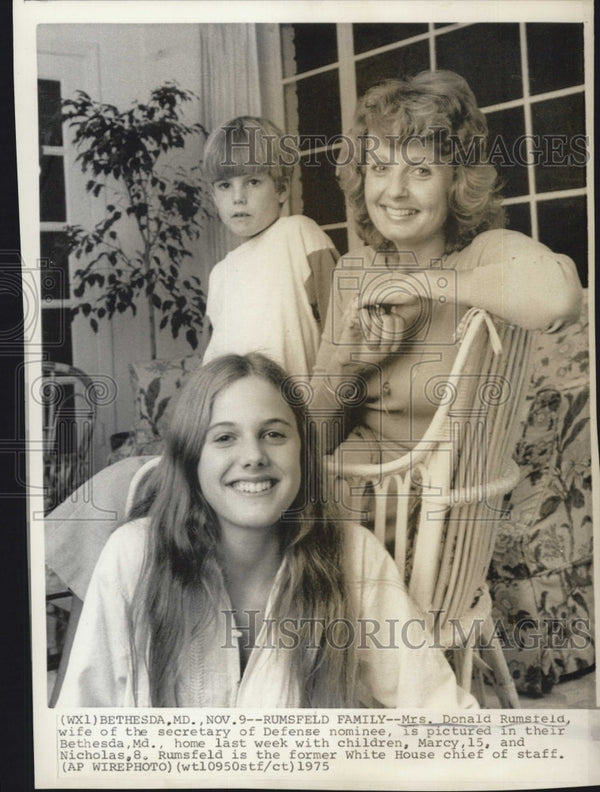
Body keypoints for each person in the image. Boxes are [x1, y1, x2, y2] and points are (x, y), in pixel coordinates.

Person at [57, 353, 477, 708]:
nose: (253, 456)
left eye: (273, 434)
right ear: (191, 459)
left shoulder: (354, 555)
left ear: (302, 452)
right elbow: (82, 726)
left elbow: (441, 712)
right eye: (224, 438)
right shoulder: (134, 555)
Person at [310, 71, 582, 464]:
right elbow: (313, 441)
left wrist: (424, 284)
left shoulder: (484, 252)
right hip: (360, 486)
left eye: (421, 171)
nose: (395, 191)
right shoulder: (355, 270)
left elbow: (560, 296)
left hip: (451, 508)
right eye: (381, 168)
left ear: (456, 181)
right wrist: (348, 364)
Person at [202, 115, 339, 376]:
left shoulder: (299, 234)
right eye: (225, 185)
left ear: (282, 188)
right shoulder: (220, 274)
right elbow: (212, 363)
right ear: (213, 197)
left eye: (252, 182)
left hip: (299, 408)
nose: (238, 198)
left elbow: (343, 330)